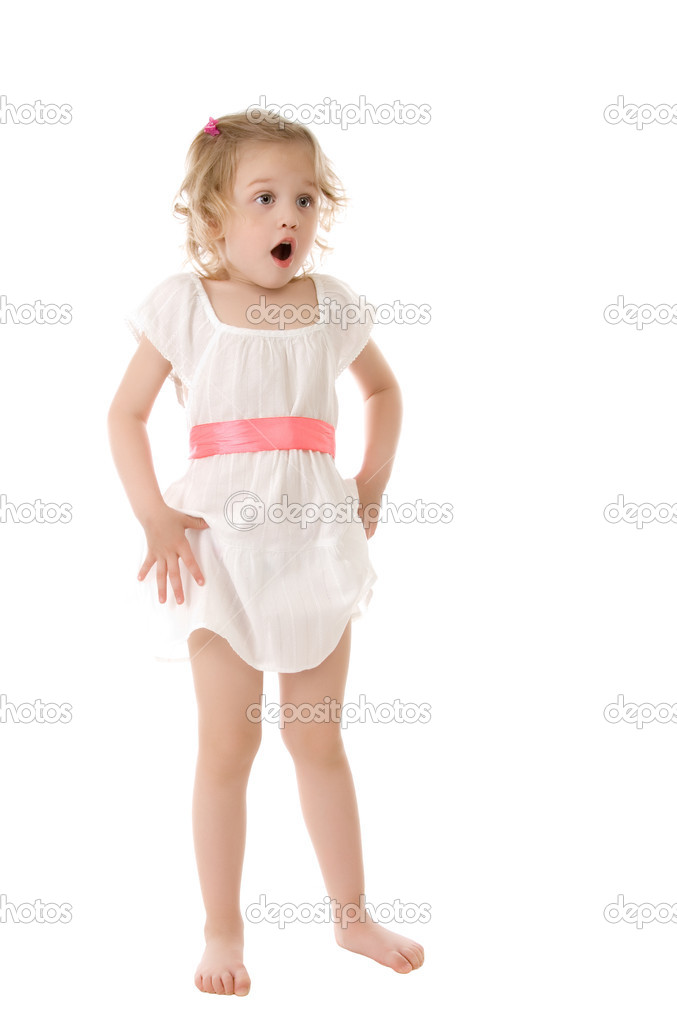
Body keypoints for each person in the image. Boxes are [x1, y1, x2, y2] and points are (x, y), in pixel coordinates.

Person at [107, 109, 423, 996]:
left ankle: (351, 916)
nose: (289, 216)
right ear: (213, 217)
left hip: (315, 541)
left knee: (317, 737)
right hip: (220, 556)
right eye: (264, 198)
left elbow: (384, 390)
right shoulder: (186, 304)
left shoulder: (332, 306)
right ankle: (221, 930)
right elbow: (123, 416)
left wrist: (371, 483)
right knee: (226, 749)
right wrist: (153, 518)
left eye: (305, 198)